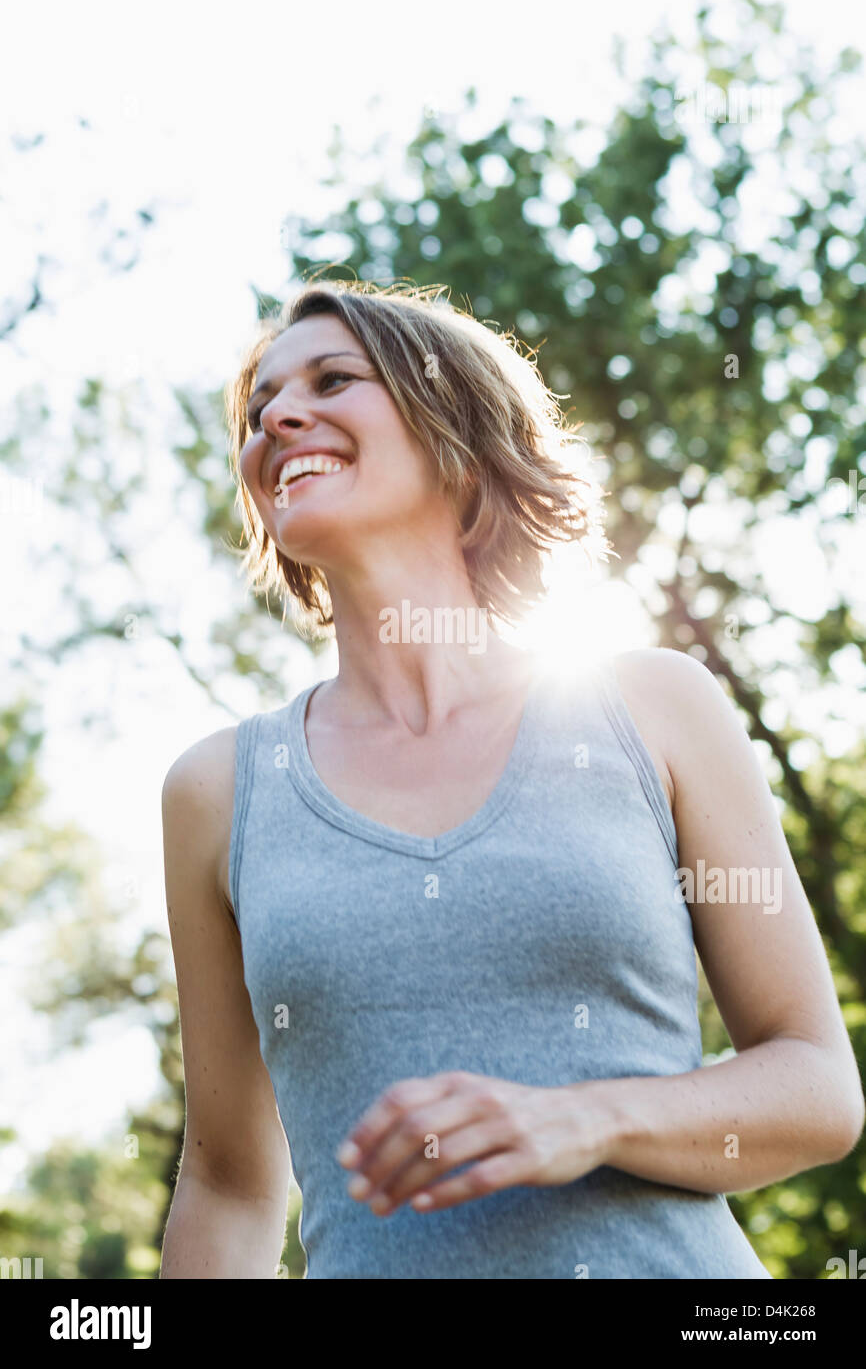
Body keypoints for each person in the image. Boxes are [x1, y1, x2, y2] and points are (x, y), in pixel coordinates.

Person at [159, 281, 863, 1279]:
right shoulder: (219, 793)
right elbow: (228, 1184)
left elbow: (816, 1089)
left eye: (330, 380)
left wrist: (583, 1117)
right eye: (257, 408)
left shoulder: (651, 708)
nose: (276, 417)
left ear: (452, 428)